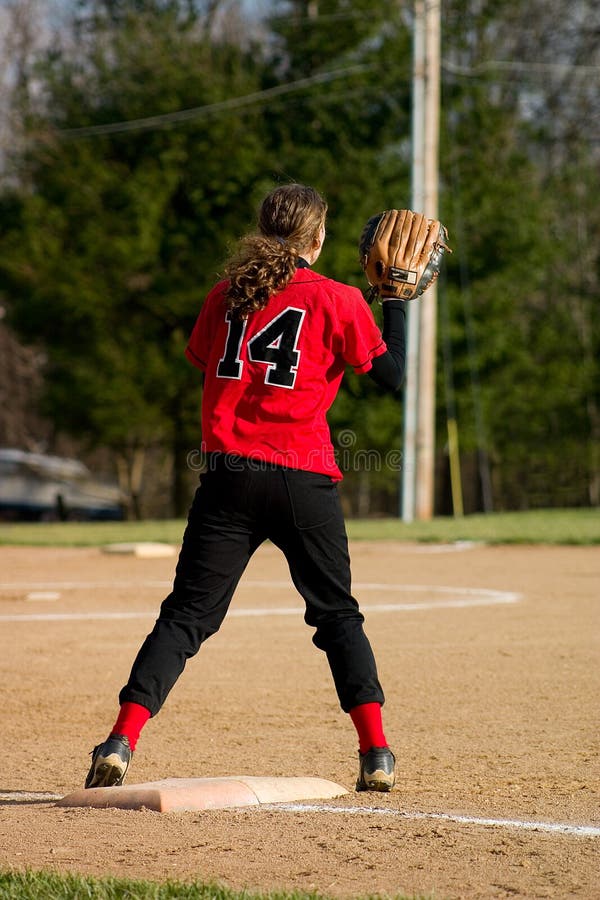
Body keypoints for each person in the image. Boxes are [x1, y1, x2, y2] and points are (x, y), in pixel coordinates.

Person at [85, 183, 406, 793]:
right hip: (303, 479)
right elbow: (391, 377)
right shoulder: (339, 299)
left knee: (185, 617)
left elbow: (213, 363)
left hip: (229, 478)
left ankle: (121, 740)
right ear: (317, 239)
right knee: (337, 616)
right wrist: (392, 301)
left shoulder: (224, 296)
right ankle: (376, 752)